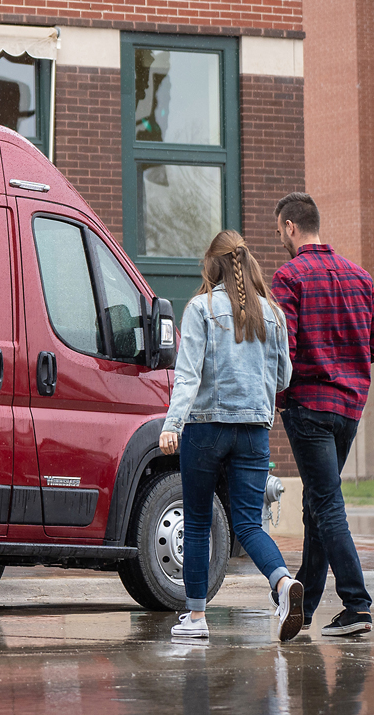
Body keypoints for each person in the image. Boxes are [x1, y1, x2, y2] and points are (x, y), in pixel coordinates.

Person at [159, 230, 302, 641]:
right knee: (249, 524)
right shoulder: (273, 313)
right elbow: (284, 378)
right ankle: (281, 583)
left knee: (199, 521)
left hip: (205, 429)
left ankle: (197, 619)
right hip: (255, 432)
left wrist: (172, 426)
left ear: (213, 265)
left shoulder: (200, 308)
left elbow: (187, 377)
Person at [273, 191, 374, 637]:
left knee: (326, 502)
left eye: (280, 231)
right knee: (318, 503)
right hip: (350, 405)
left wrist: (276, 399)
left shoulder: (289, 277)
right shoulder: (361, 278)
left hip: (309, 405)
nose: (281, 238)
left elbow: (284, 350)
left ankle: (356, 604)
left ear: (291, 227)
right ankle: (306, 607)